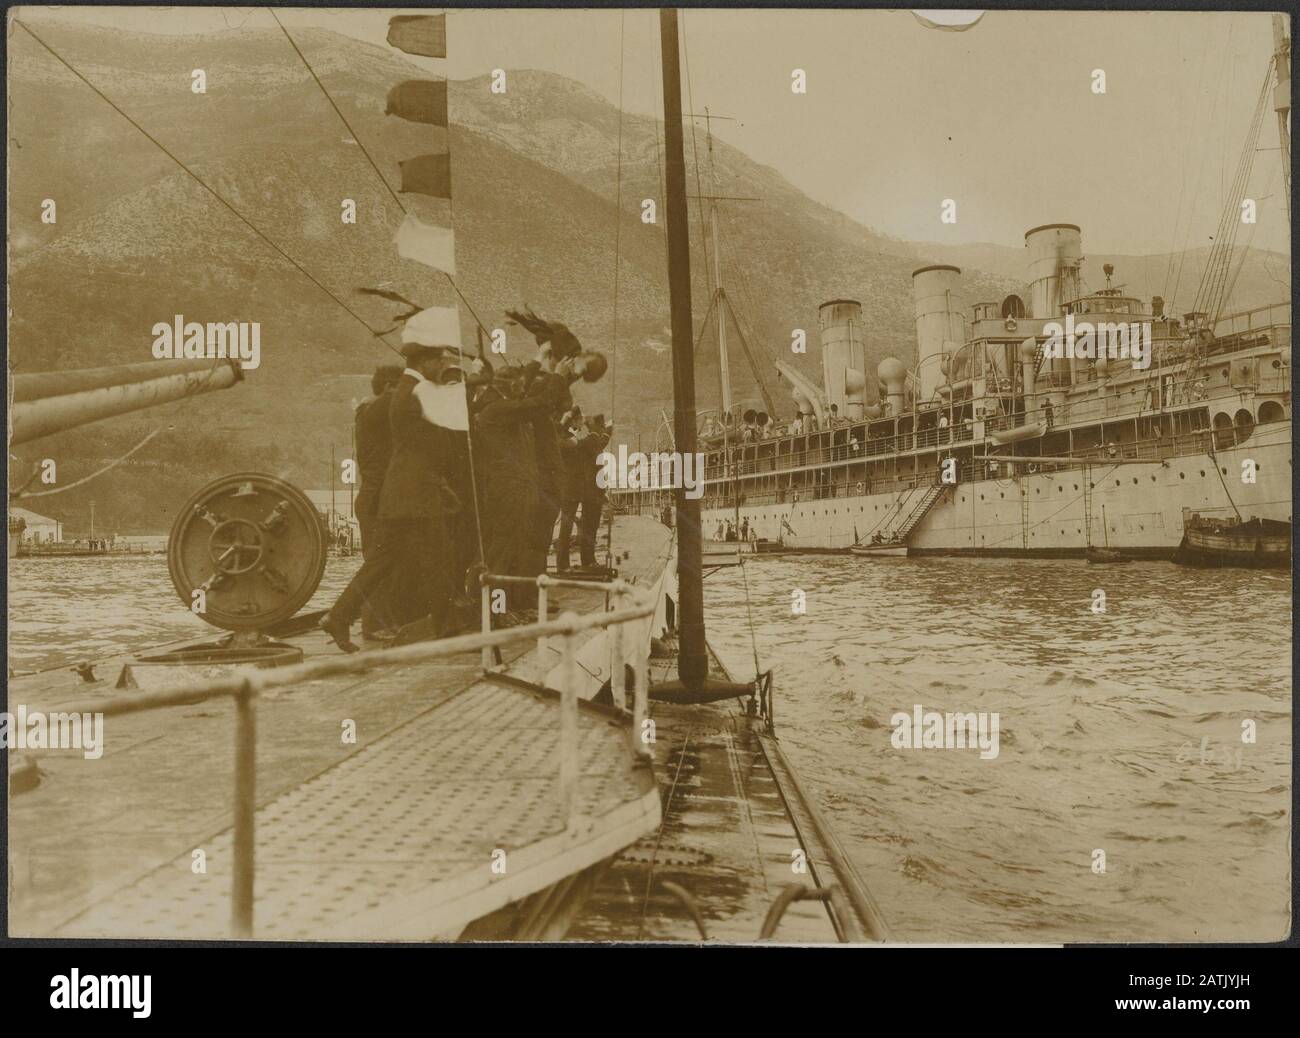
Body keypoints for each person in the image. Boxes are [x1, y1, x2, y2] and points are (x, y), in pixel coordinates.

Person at [320, 342, 461, 653]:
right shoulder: (405, 392)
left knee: (383, 563)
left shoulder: (408, 391)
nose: (442, 366)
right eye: (439, 360)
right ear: (424, 361)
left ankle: (340, 616)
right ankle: (447, 630)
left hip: (402, 496)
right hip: (413, 496)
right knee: (436, 562)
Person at [353, 364, 402, 636]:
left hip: (382, 498)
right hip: (374, 500)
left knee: (387, 561)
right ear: (388, 388)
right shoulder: (372, 412)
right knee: (377, 562)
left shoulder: (376, 412)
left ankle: (386, 619)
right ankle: (373, 624)